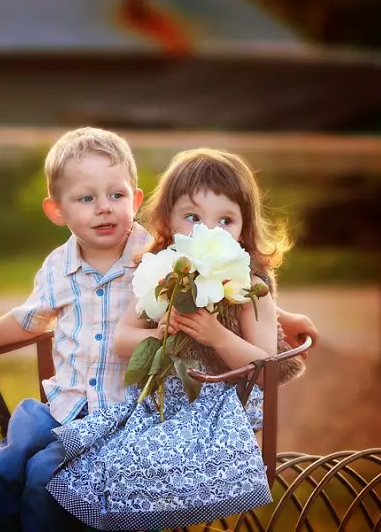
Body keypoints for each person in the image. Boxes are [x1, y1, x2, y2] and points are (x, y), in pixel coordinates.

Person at [0, 133, 317, 532]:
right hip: (66, 402)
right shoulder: (98, 265)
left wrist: (280, 317)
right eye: (86, 198)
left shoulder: (158, 254)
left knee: (45, 476)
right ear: (56, 210)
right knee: (8, 463)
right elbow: (29, 318)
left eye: (115, 196)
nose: (103, 209)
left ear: (135, 201)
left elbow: (233, 291)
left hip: (126, 412)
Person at [45, 147, 308, 531]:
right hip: (160, 403)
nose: (209, 232)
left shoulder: (249, 285)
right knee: (74, 467)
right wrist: (158, 334)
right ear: (167, 222)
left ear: (245, 227)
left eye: (226, 220)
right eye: (192, 217)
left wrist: (216, 335)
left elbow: (264, 364)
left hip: (219, 409)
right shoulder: (161, 270)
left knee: (124, 467)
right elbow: (122, 338)